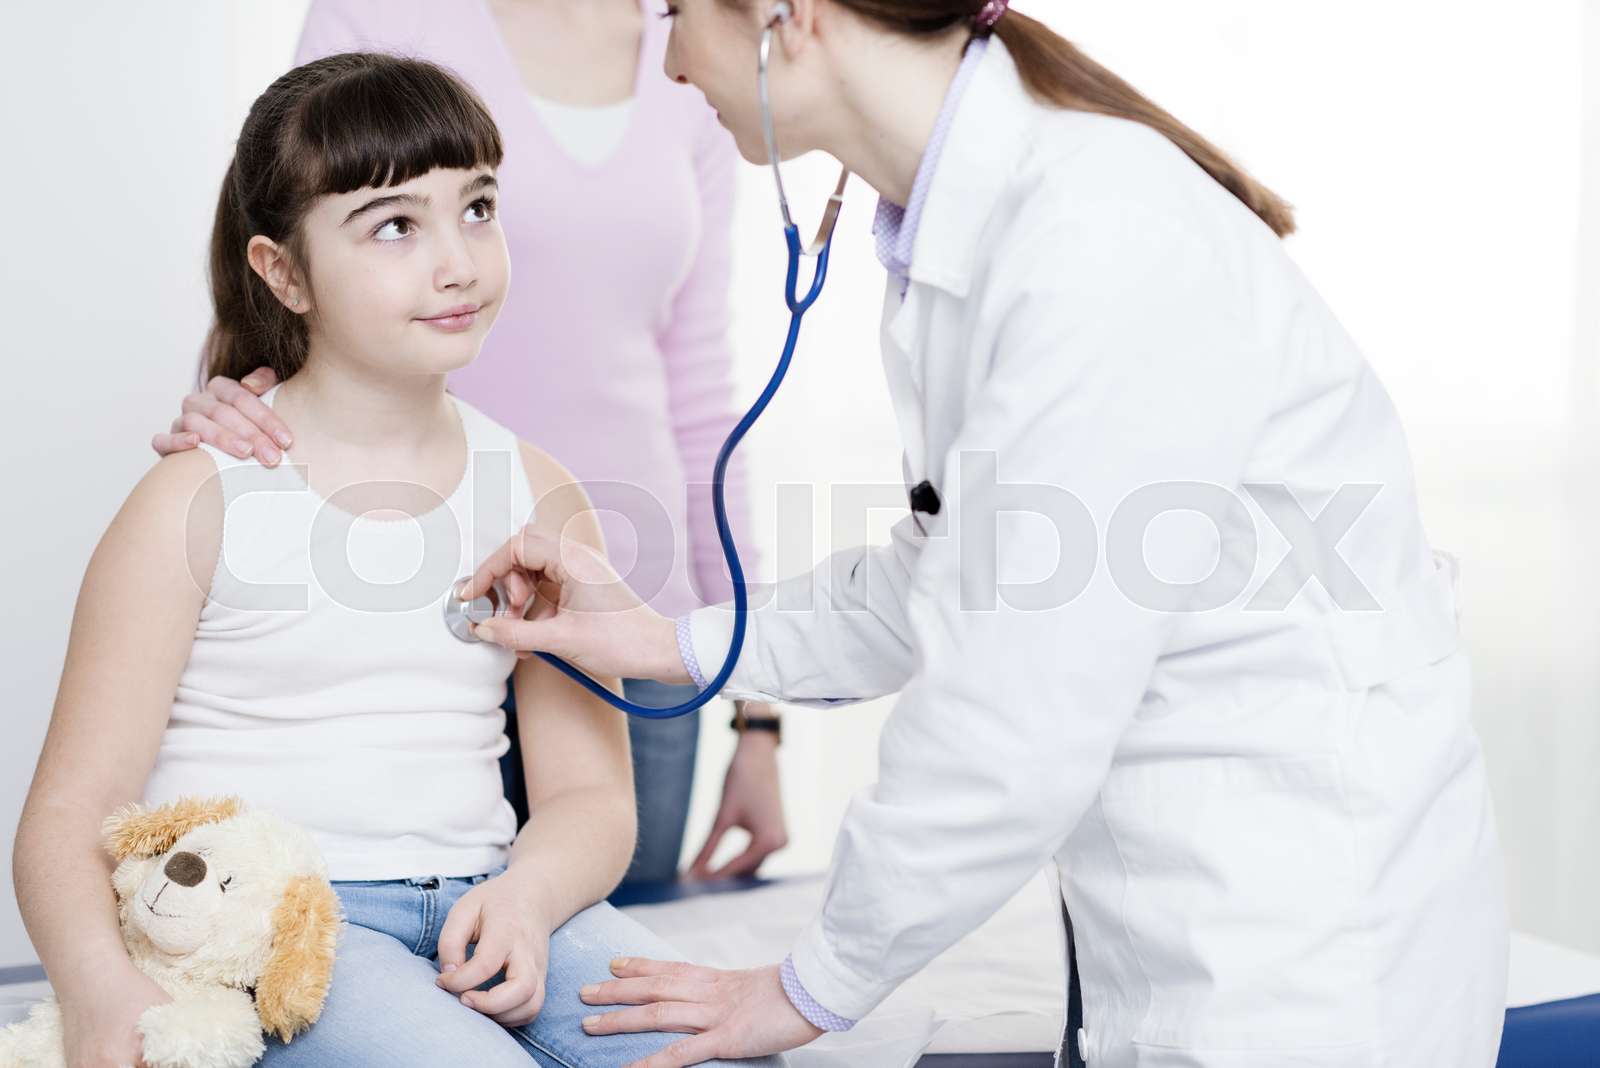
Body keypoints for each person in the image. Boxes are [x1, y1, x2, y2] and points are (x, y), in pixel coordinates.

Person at [457, 1, 1511, 1065]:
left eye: (680, 13)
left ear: (794, 18)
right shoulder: (970, 228)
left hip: (1303, 937)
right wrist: (670, 642)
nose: (671, 61)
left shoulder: (1100, 241)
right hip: (1191, 896)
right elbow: (953, 570)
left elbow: (1008, 711)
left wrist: (808, 987)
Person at [14, 51, 784, 1068]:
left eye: (476, 208)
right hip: (280, 926)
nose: (458, 261)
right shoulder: (196, 499)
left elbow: (592, 801)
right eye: (394, 227)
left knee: (730, 1050)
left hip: (484, 895)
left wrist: (526, 896)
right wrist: (104, 993)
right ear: (282, 272)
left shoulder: (538, 491)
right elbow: (68, 814)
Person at [149, 0, 789, 889]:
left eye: (482, 208)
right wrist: (235, 409)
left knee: (599, 943)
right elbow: (290, 233)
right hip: (400, 604)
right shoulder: (375, 16)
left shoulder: (693, 52)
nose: (458, 257)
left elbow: (704, 393)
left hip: (625, 607)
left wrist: (760, 717)